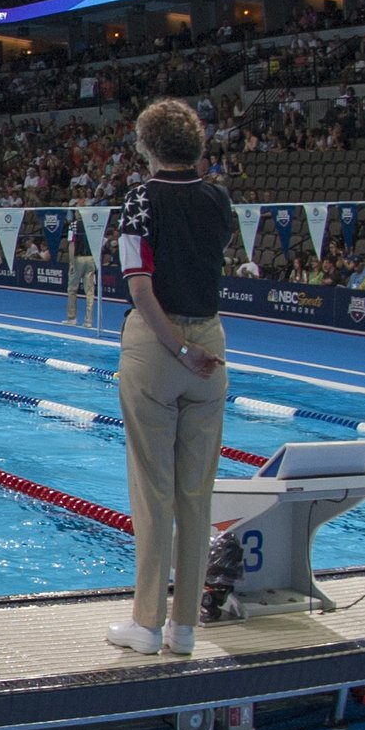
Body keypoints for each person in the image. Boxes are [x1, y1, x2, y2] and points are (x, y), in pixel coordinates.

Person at [108, 99, 231, 656]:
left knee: (153, 493)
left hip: (160, 350)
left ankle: (147, 624)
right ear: (196, 146)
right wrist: (194, 348)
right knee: (196, 493)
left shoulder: (140, 199)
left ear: (147, 146)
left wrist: (177, 348)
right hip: (212, 347)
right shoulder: (219, 196)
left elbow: (140, 287)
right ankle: (186, 630)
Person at [66, 216, 101, 325]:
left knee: (72, 289)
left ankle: (72, 318)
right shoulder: (93, 225)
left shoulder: (74, 225)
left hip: (78, 259)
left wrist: (71, 262)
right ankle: (88, 321)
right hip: (91, 258)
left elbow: (72, 244)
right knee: (90, 291)